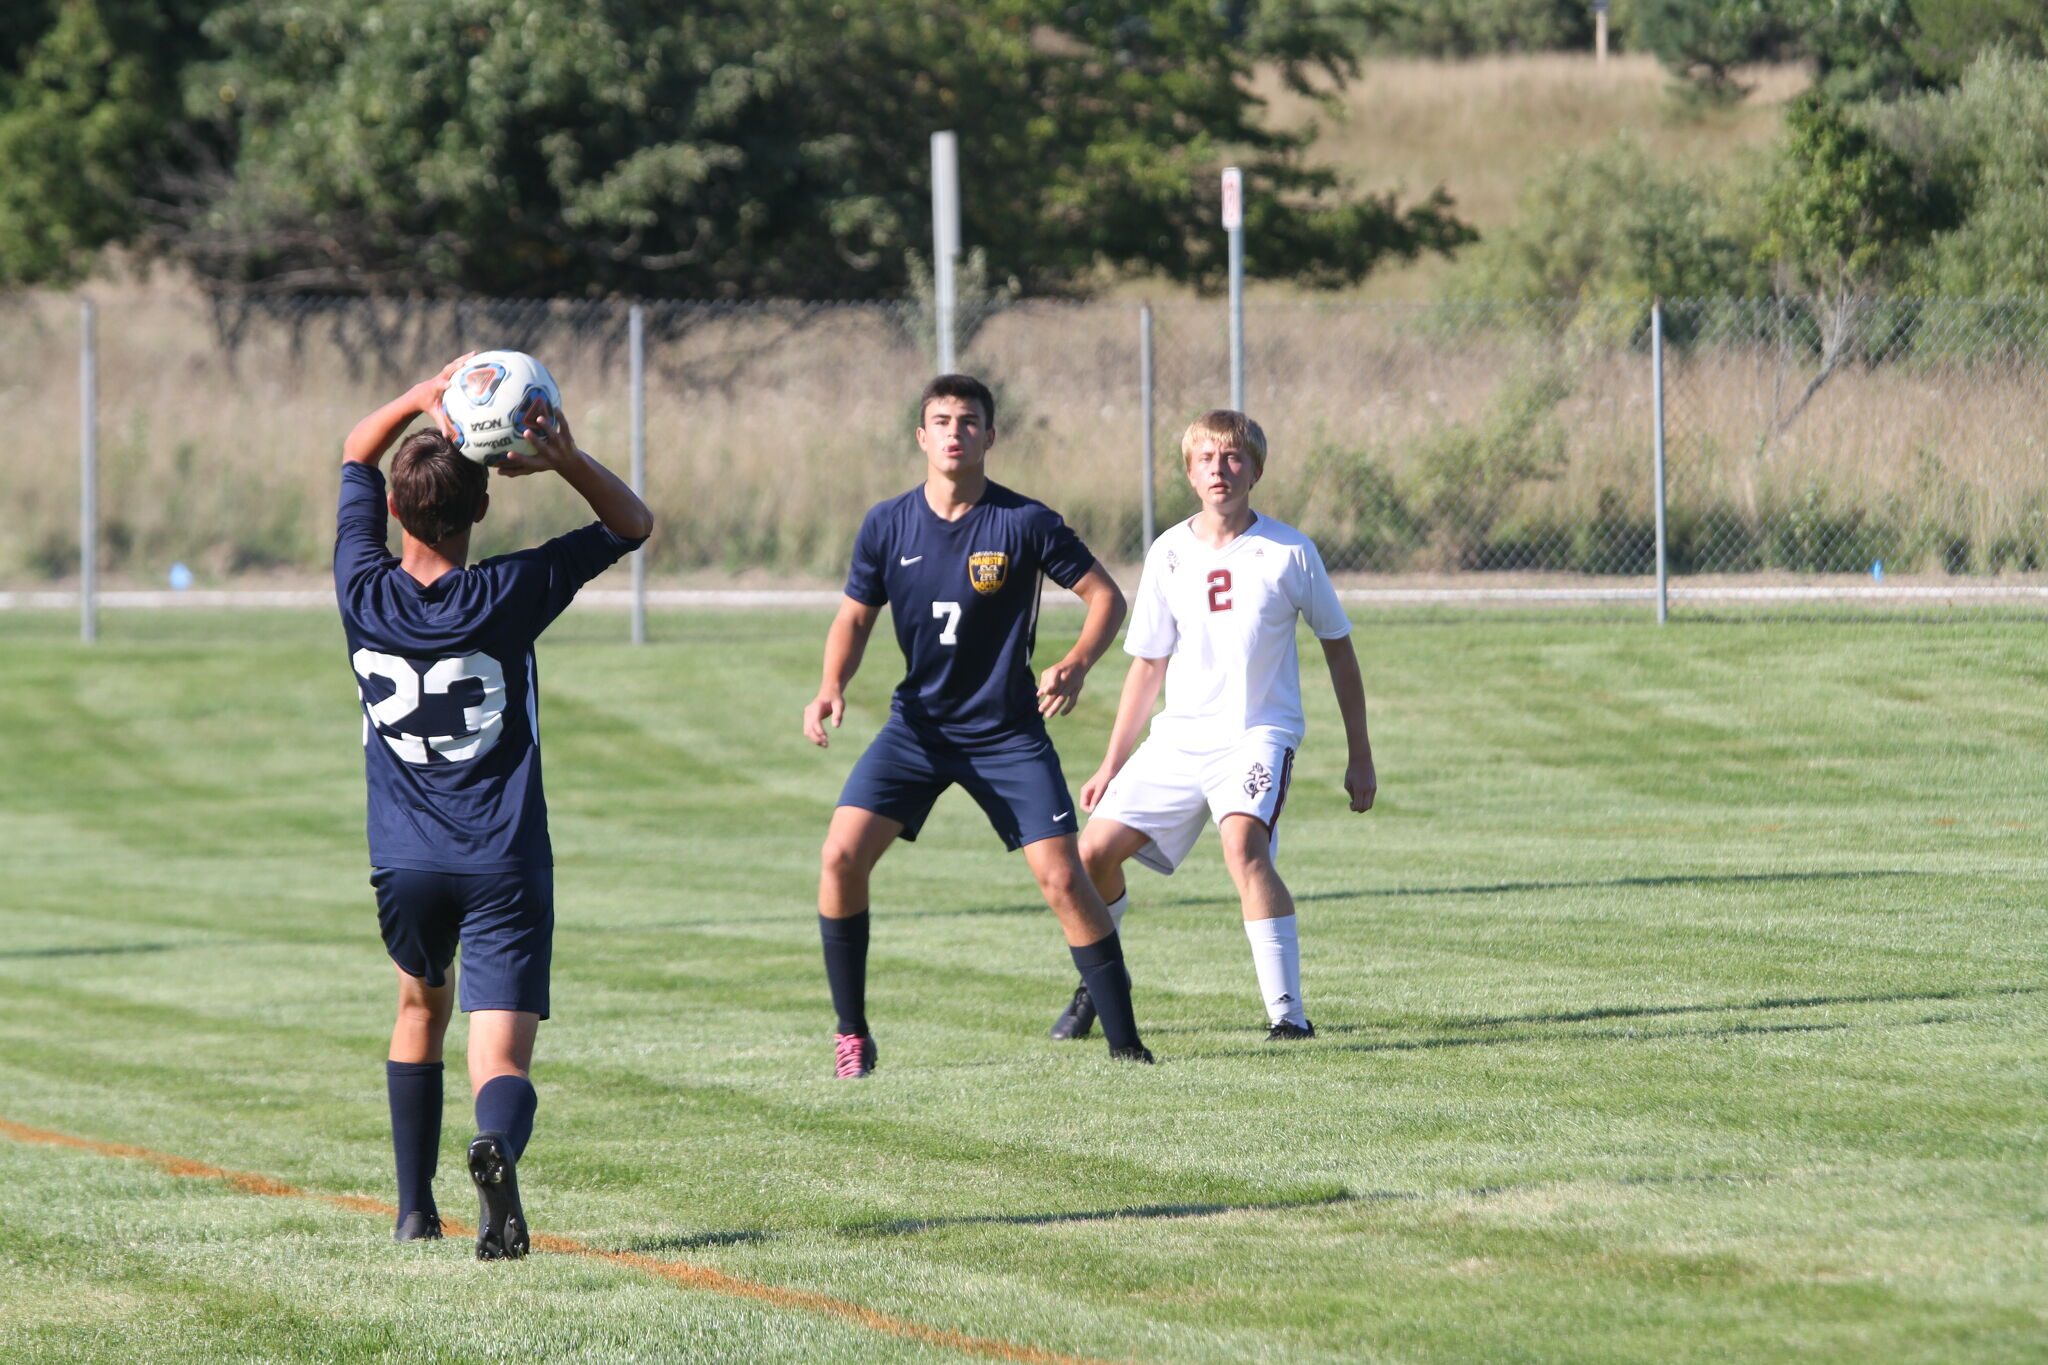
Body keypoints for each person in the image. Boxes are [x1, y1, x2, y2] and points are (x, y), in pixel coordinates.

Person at [336, 354, 652, 1258]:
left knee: (416, 1013)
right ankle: (496, 1147)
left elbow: (357, 454)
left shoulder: (362, 589)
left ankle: (411, 1211)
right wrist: (563, 458)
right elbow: (632, 523)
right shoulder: (509, 592)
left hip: (406, 860)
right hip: (502, 857)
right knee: (501, 1059)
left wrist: (417, 397)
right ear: (484, 506)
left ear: (395, 513)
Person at [802, 373, 1153, 1074]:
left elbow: (1105, 598)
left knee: (1061, 877)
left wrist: (1079, 661)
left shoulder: (1024, 522)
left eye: (969, 421)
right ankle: (852, 1035)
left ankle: (1126, 1045)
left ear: (990, 435)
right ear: (921, 436)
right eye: (941, 420)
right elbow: (854, 615)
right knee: (840, 856)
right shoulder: (886, 523)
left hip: (1007, 732)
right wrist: (831, 685)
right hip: (918, 730)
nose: (955, 432)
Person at [1049, 409, 1375, 1044]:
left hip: (1257, 736)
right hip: (1178, 739)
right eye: (1206, 459)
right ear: (1190, 473)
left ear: (1256, 470)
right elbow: (1148, 665)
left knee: (1243, 848)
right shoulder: (1168, 552)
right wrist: (1112, 762)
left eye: (1232, 459)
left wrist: (1359, 755)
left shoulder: (1289, 551)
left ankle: (1289, 1017)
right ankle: (1101, 979)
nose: (1219, 470)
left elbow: (1339, 647)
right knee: (1090, 855)